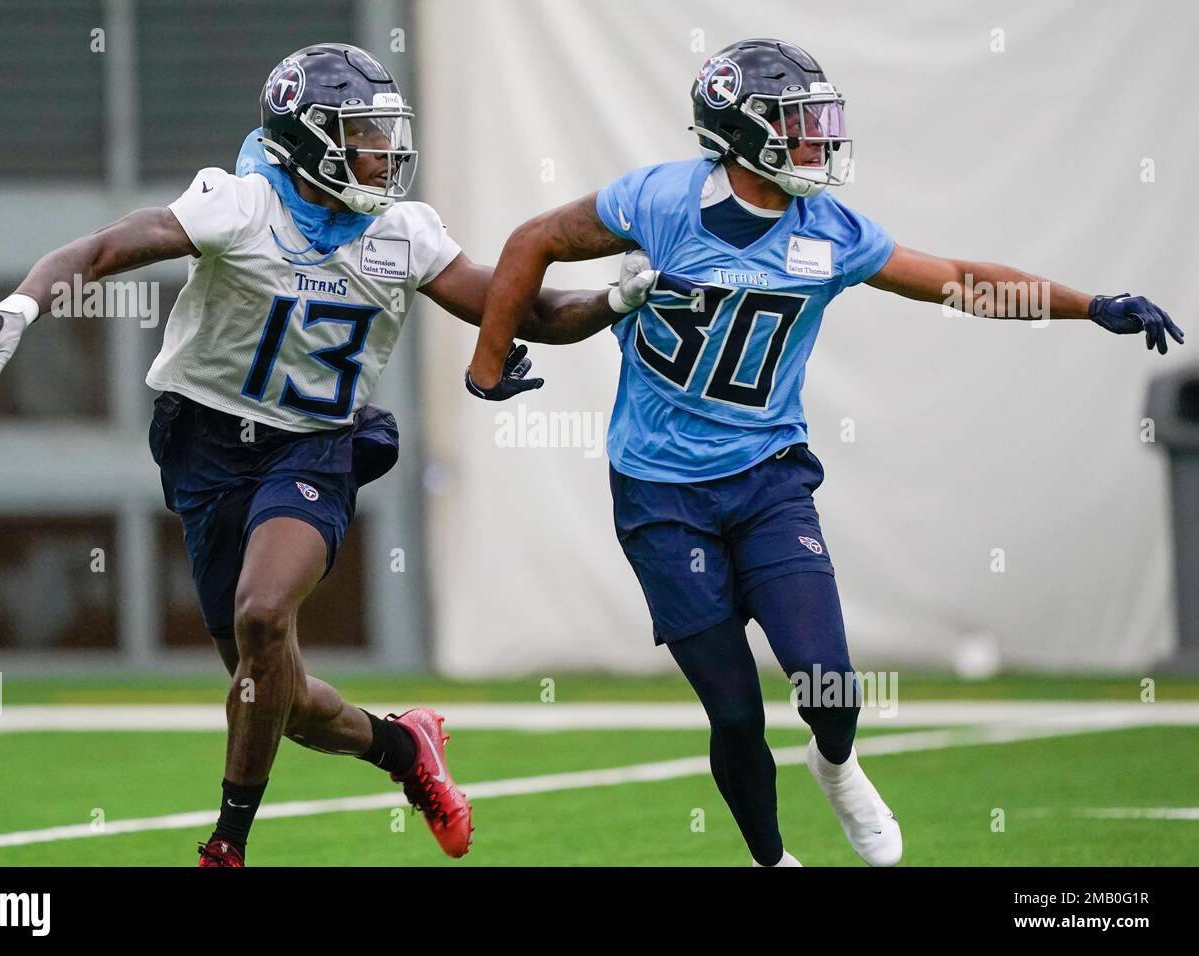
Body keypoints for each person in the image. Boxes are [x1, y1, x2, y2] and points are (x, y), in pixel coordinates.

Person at [0, 42, 658, 867]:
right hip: (206, 444)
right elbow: (100, 250)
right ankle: (404, 747)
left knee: (265, 614)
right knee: (279, 694)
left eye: (386, 134)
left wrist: (617, 298)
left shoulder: (403, 233)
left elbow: (526, 309)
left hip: (314, 447)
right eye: (362, 134)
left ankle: (227, 846)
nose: (384, 154)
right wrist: (20, 307)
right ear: (305, 140)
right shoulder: (239, 206)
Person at [463, 38, 1184, 866]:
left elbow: (958, 281)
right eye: (799, 124)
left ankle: (836, 765)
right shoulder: (658, 202)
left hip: (768, 479)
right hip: (660, 490)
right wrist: (487, 367)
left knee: (829, 686)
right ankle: (773, 861)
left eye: (820, 123)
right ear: (741, 129)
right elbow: (530, 242)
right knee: (734, 712)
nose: (818, 141)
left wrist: (1091, 304)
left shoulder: (830, 231)